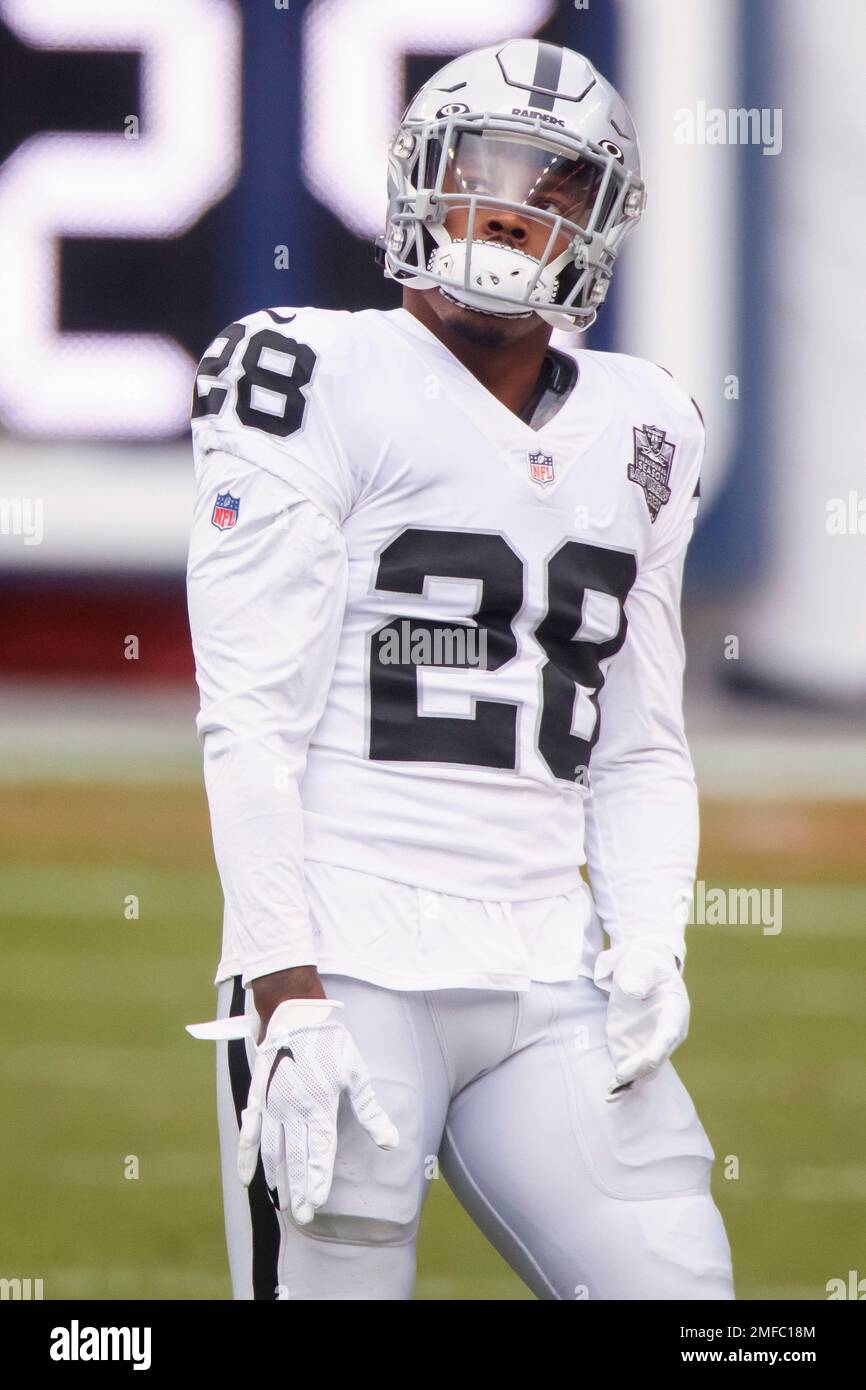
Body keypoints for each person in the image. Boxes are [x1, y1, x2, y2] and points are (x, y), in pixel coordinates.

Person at [186, 37, 734, 1301]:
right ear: (421, 174)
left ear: (596, 223)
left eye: (555, 186)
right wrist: (288, 996)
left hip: (550, 964)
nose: (515, 206)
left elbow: (643, 739)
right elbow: (248, 724)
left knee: (682, 1291)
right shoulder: (307, 375)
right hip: (347, 952)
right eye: (490, 169)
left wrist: (649, 942)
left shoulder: (646, 423)